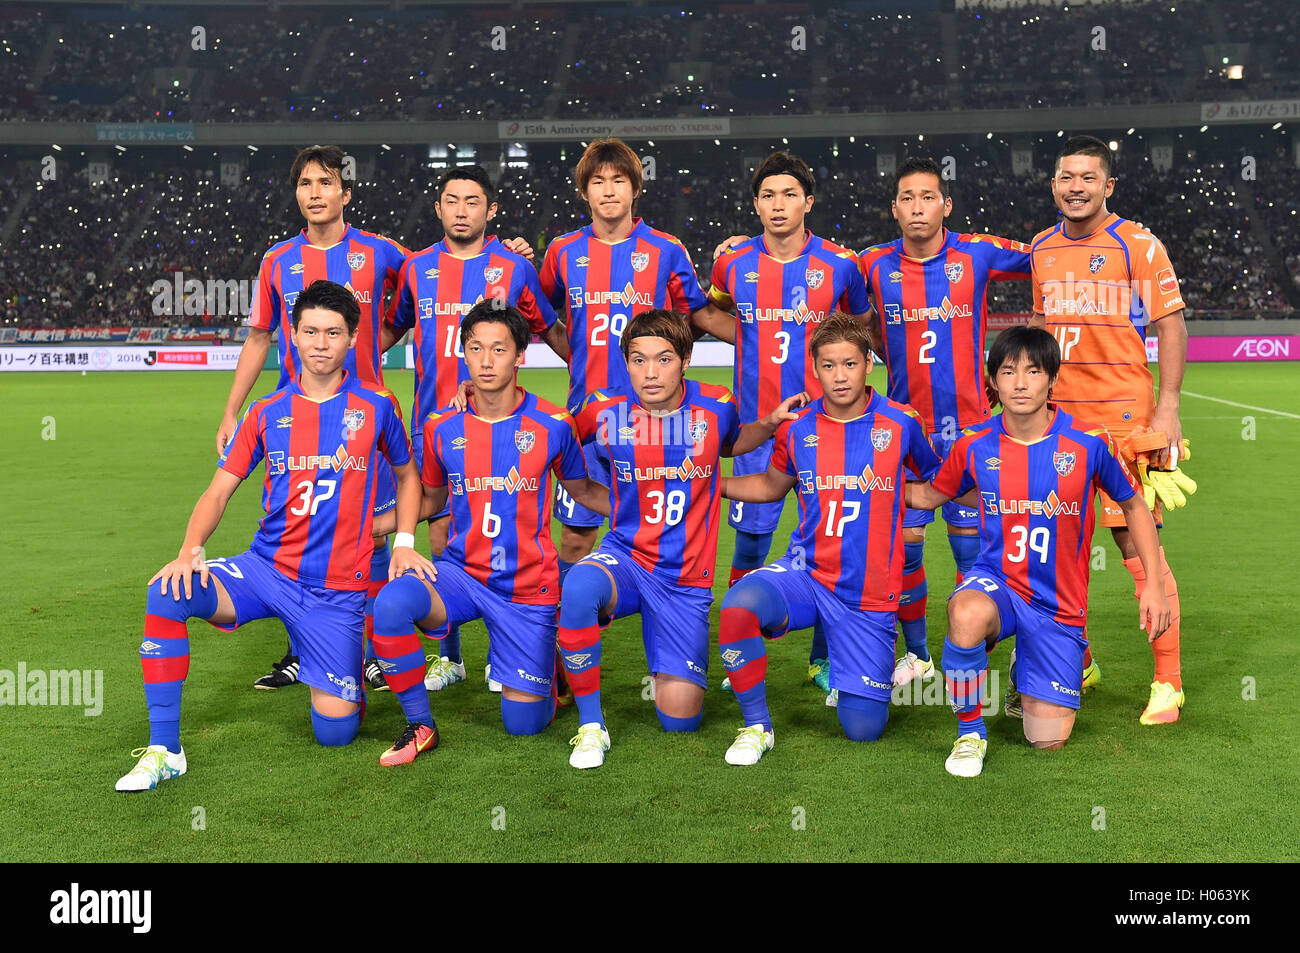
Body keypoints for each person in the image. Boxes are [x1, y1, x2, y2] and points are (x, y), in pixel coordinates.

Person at [116, 280, 431, 791]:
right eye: (310, 331)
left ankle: (337, 671)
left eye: (333, 332)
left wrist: (404, 543)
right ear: (293, 335)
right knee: (166, 593)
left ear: (352, 338)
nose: (321, 343)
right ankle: (164, 749)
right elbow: (218, 492)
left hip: (335, 593)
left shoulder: (376, 405)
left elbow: (408, 474)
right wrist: (189, 551)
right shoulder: (266, 411)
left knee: (336, 732)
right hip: (265, 571)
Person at [907, 326, 1171, 777]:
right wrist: (858, 477)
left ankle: (1022, 667)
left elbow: (1132, 505)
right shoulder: (974, 442)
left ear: (1052, 378)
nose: (1021, 382)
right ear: (993, 381)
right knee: (966, 612)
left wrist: (1156, 587)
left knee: (1046, 739)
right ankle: (970, 733)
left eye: (1033, 371)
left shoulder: (1089, 441)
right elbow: (930, 495)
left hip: (1059, 603)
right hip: (999, 583)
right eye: (1008, 372)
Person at [559, 310, 806, 769]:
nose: (650, 373)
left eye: (663, 359)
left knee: (681, 719)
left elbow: (731, 444)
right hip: (626, 559)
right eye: (638, 360)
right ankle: (591, 727)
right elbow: (548, 433)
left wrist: (770, 423)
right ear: (625, 363)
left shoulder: (717, 405)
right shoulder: (603, 412)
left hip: (685, 580)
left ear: (685, 360)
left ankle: (657, 657)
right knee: (577, 585)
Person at [368, 302, 609, 765]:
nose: (485, 360)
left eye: (499, 349)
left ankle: (548, 666)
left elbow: (580, 488)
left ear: (520, 355)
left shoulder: (553, 424)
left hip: (526, 586)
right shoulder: (440, 426)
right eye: (475, 348)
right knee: (392, 604)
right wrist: (380, 526)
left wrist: (635, 507)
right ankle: (421, 724)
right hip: (461, 576)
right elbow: (433, 500)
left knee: (524, 727)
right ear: (463, 352)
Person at [216, 144, 410, 694]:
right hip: (292, 423)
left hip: (362, 423)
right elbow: (259, 336)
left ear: (346, 193)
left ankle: (369, 649)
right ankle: (301, 651)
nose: (316, 193)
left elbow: (439, 271)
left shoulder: (378, 252)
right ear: (297, 193)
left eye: (326, 183)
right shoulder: (278, 259)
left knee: (366, 537)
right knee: (298, 536)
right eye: (306, 183)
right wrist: (232, 409)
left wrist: (510, 248)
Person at [715, 313, 941, 765]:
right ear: (815, 368)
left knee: (863, 730)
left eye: (850, 364)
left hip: (869, 592)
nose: (839, 376)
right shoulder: (797, 428)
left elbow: (935, 481)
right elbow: (771, 486)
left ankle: (856, 665)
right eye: (828, 365)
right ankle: (757, 727)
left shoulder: (900, 422)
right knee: (738, 608)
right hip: (806, 570)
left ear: (868, 365)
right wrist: (709, 483)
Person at [1028, 135, 1194, 724]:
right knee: (1055, 549)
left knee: (1135, 547)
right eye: (1066, 177)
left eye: (1088, 178)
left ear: (1108, 186)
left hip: (1125, 421)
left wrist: (1167, 408)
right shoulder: (1041, 250)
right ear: (1053, 185)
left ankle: (1168, 681)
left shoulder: (1138, 245)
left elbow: (1172, 325)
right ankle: (1083, 660)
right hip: (1057, 424)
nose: (1076, 187)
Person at [696, 151, 873, 697]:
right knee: (749, 544)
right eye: (768, 195)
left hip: (829, 428)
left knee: (832, 544)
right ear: (755, 203)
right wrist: (746, 333)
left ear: (808, 202)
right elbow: (705, 311)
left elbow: (861, 326)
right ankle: (739, 650)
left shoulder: (841, 264)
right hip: (758, 425)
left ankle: (825, 658)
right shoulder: (733, 263)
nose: (778, 204)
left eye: (789, 194)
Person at [385, 165, 567, 693]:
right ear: (438, 208)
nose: (461, 210)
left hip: (504, 424)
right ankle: (451, 655)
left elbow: (546, 328)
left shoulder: (514, 268)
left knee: (510, 526)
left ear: (490, 211)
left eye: (472, 202)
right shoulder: (417, 268)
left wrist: (595, 371)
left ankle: (510, 646)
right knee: (443, 537)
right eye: (451, 200)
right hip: (434, 426)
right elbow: (392, 327)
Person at [857, 156, 1034, 689]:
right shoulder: (869, 264)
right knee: (903, 552)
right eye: (907, 198)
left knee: (971, 553)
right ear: (894, 208)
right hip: (905, 437)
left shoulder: (976, 254)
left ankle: (969, 654)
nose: (917, 207)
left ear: (945, 204)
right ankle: (917, 658)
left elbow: (1045, 257)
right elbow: (817, 287)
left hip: (975, 436)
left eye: (927, 196)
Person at [537, 138, 728, 577]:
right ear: (583, 191)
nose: (608, 190)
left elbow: (695, 315)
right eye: (597, 181)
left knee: (660, 529)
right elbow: (539, 315)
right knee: (575, 536)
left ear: (635, 188)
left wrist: (761, 330)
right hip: (586, 418)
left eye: (618, 180)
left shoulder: (665, 249)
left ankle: (665, 615)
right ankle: (573, 639)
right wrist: (575, 353)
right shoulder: (563, 251)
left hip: (655, 419)